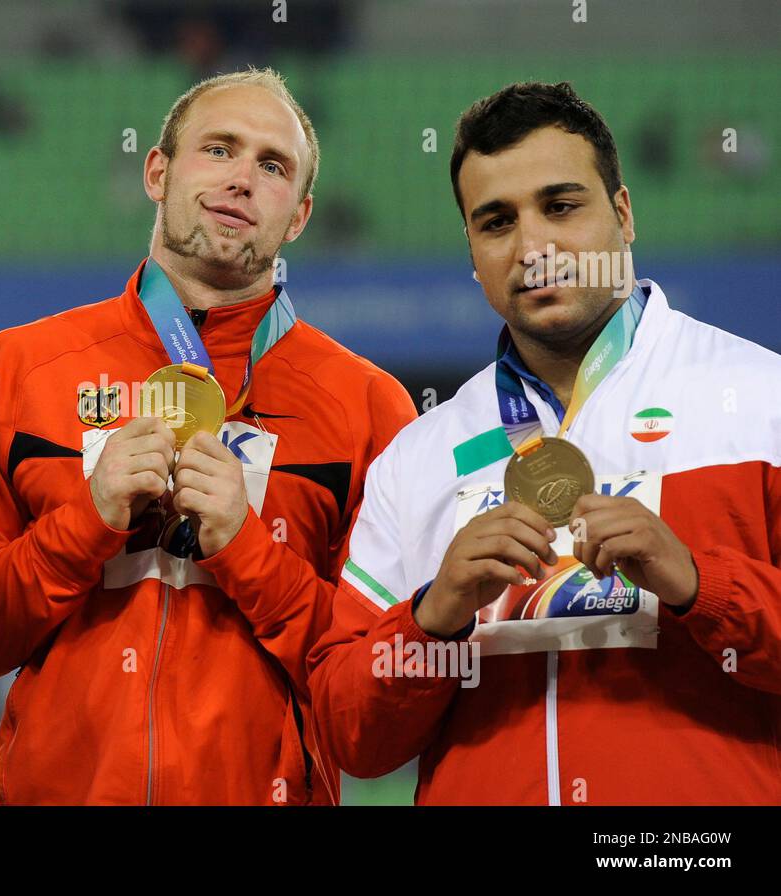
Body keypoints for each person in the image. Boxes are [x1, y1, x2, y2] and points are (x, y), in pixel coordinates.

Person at [0, 67, 416, 804]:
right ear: (157, 171)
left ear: (301, 214)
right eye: (219, 149)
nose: (242, 178)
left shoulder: (369, 406)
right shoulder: (17, 370)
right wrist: (84, 525)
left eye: (272, 166)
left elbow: (380, 696)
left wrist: (249, 552)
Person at [309, 81, 781, 805]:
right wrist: (436, 615)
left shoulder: (758, 396)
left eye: (561, 207)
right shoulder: (421, 454)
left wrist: (697, 582)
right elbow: (353, 738)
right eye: (496, 223)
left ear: (623, 215)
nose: (534, 246)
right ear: (472, 251)